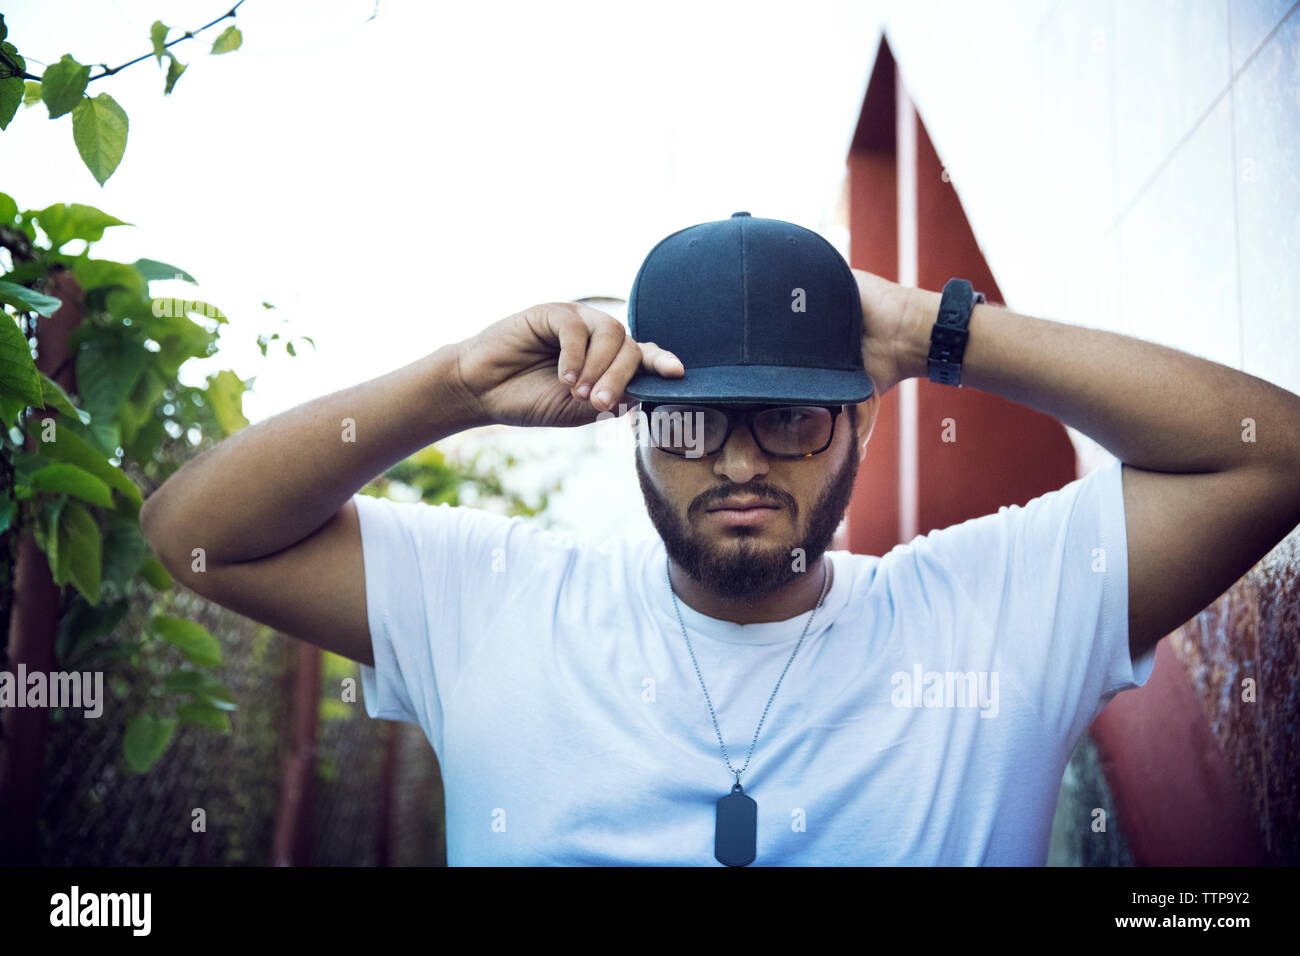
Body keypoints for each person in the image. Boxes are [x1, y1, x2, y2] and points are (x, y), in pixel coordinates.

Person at [140, 213, 1300, 866]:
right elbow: (194, 535)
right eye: (693, 419)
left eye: (790, 416)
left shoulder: (983, 618)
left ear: (856, 421)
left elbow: (1272, 451)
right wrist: (452, 385)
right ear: (630, 425)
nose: (740, 462)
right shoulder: (499, 607)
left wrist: (936, 328)